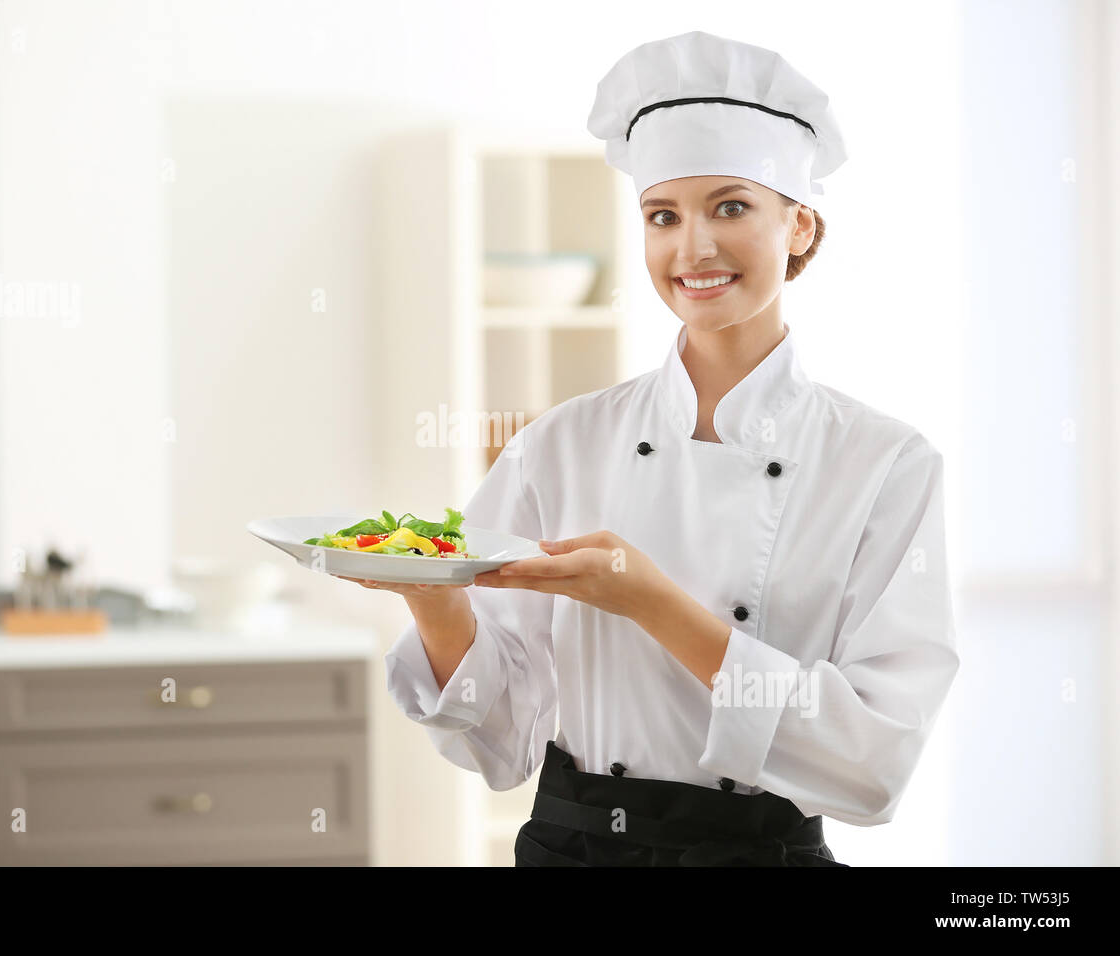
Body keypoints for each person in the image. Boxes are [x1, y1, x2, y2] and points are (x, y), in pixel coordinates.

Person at [340, 30, 960, 866]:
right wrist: (432, 593)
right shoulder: (559, 442)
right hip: (573, 845)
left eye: (731, 207)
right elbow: (498, 738)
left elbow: (874, 765)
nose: (692, 248)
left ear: (802, 226)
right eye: (663, 216)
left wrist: (649, 602)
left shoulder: (885, 464)